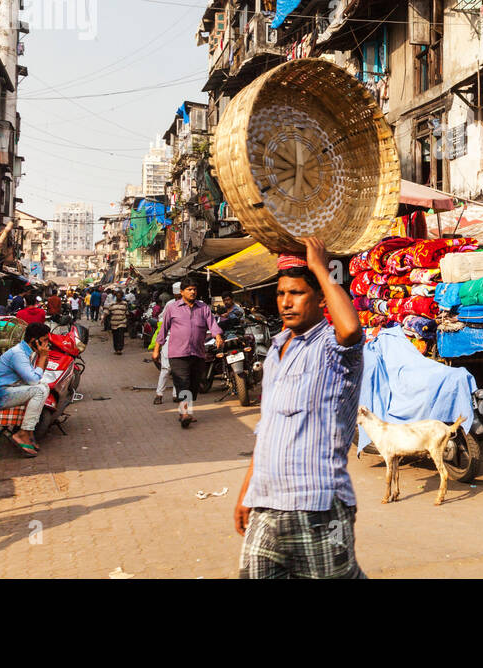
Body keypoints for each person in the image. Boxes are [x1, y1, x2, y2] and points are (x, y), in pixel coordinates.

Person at [234, 239, 365, 579]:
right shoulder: (277, 350)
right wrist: (247, 491)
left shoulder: (332, 347)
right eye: (280, 294)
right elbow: (268, 429)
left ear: (321, 298)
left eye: (297, 293)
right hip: (266, 507)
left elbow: (351, 328)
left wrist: (321, 267)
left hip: (319, 508)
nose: (286, 302)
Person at [0, 321, 53, 456]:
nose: (47, 344)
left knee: (44, 387)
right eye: (44, 340)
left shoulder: (26, 352)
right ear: (34, 341)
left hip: (2, 392)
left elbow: (33, 378)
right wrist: (43, 356)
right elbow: (34, 380)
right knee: (39, 390)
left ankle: (28, 432)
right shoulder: (18, 354)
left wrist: (43, 357)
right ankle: (24, 432)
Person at [155, 277, 222, 429]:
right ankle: (185, 414)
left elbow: (212, 324)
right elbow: (163, 329)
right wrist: (157, 349)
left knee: (193, 383)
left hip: (197, 352)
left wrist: (217, 335)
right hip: (178, 353)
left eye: (194, 290)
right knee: (182, 381)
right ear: (182, 292)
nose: (192, 292)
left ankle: (185, 411)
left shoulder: (203, 308)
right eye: (189, 289)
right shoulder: (172, 308)